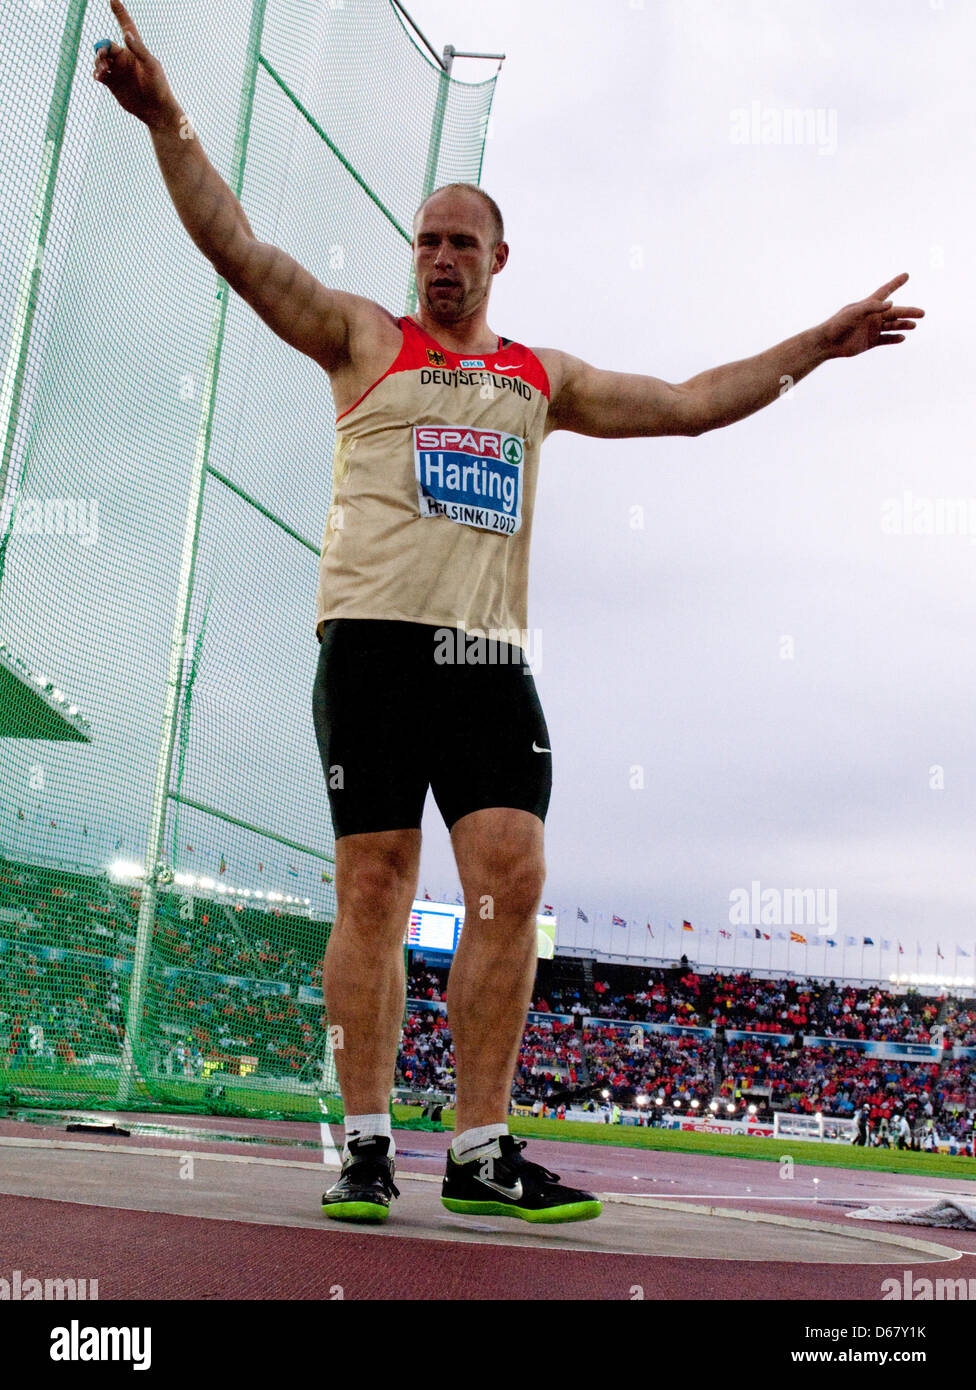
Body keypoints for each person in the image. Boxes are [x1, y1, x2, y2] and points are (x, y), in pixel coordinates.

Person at [94, 1, 924, 1225]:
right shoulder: (358, 338)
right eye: (424, 238)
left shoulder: (540, 379)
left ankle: (480, 1150)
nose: (437, 256)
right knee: (372, 886)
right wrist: (170, 122)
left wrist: (818, 343)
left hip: (486, 657)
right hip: (372, 640)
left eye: (459, 241)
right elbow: (238, 249)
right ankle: (367, 1144)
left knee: (511, 876)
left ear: (496, 260)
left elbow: (690, 402)